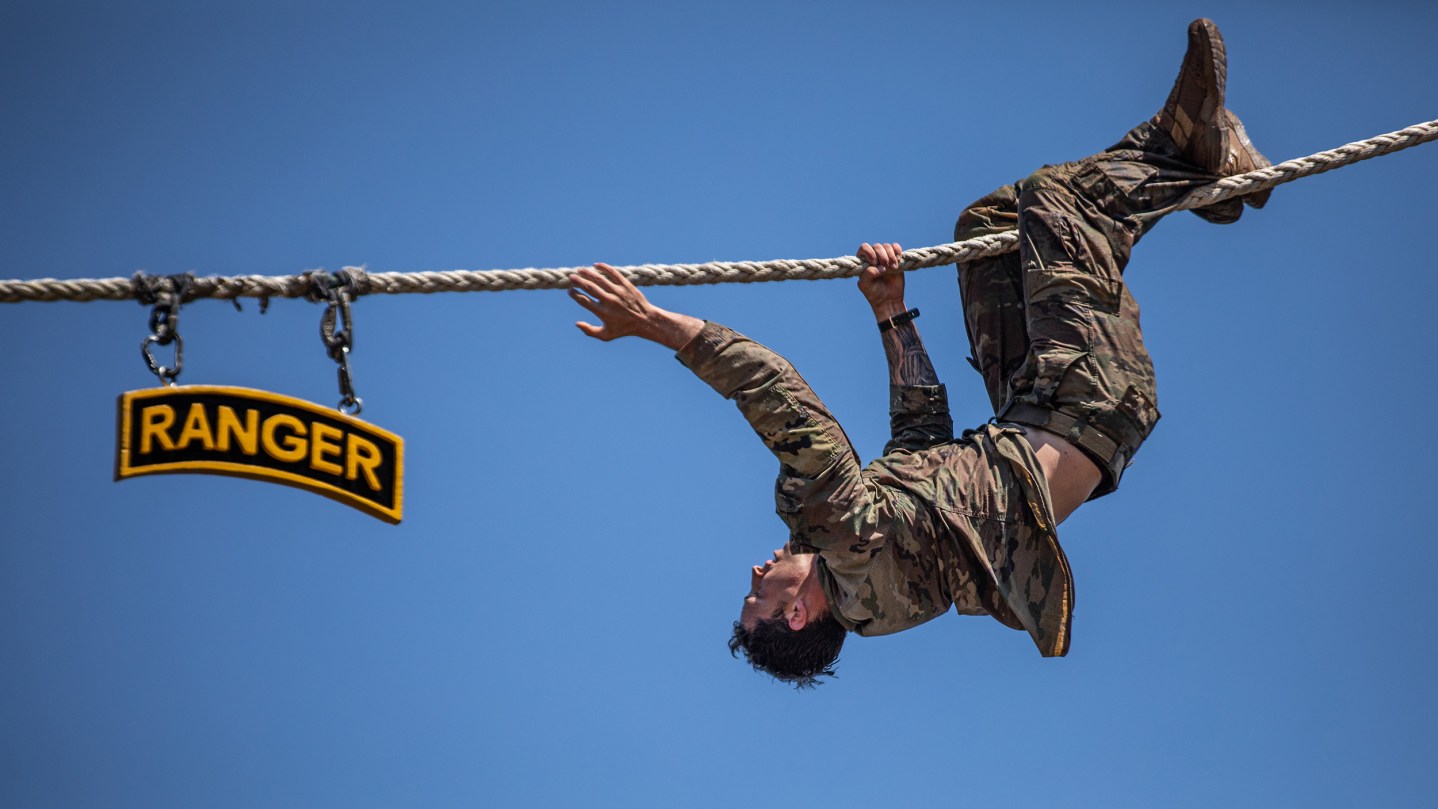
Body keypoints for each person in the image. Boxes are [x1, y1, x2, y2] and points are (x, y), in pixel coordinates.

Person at [567, 19, 1272, 686]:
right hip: (1087, 399)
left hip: (1034, 406)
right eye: (758, 597)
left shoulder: (870, 570)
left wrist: (891, 309)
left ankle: (1206, 170)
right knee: (1056, 206)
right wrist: (655, 324)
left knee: (988, 227)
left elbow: (921, 440)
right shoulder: (848, 548)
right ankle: (1183, 146)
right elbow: (781, 399)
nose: (754, 574)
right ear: (797, 613)